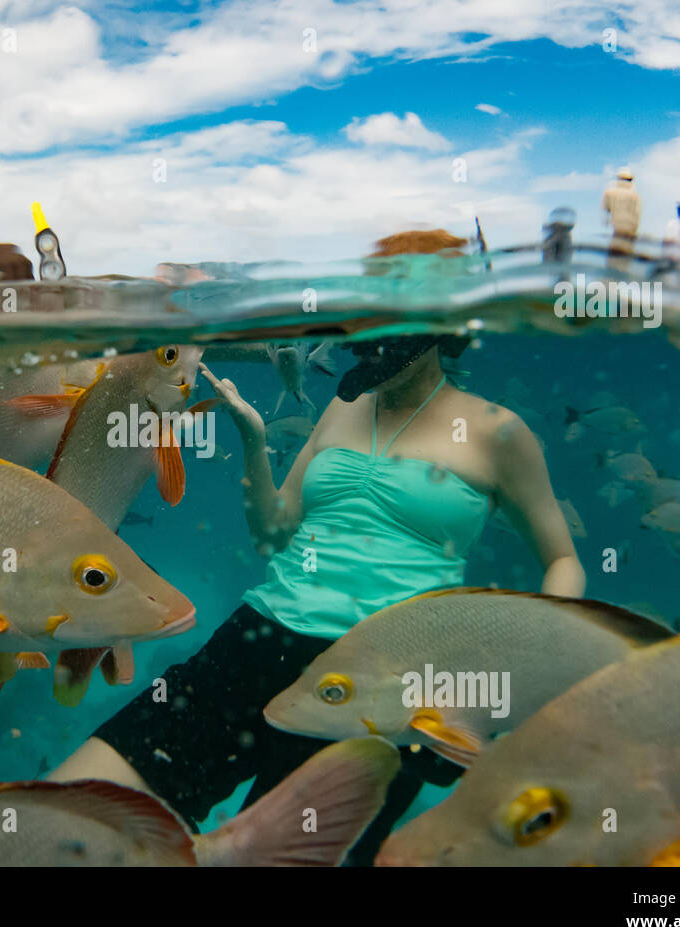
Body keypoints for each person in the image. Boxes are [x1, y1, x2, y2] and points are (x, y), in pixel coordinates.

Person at [50, 231, 585, 863]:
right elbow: (275, 533)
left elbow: (563, 560)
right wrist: (253, 439)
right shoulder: (341, 408)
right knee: (66, 816)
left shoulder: (498, 432)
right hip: (259, 637)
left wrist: (522, 674)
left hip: (388, 680)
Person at [601, 168, 640, 267]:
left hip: (616, 229)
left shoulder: (609, 192)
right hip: (630, 230)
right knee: (625, 260)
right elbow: (637, 214)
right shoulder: (635, 195)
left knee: (613, 259)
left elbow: (606, 209)